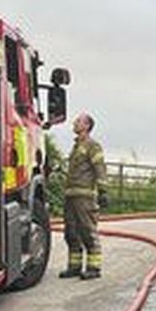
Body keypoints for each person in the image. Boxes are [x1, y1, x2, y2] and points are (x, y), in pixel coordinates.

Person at [60, 112, 107, 280]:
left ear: (87, 126)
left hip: (85, 197)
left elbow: (99, 168)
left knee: (87, 231)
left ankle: (94, 268)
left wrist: (103, 191)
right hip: (71, 195)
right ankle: (75, 266)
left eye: (78, 121)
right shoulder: (76, 147)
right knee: (71, 232)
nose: (74, 123)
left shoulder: (92, 146)